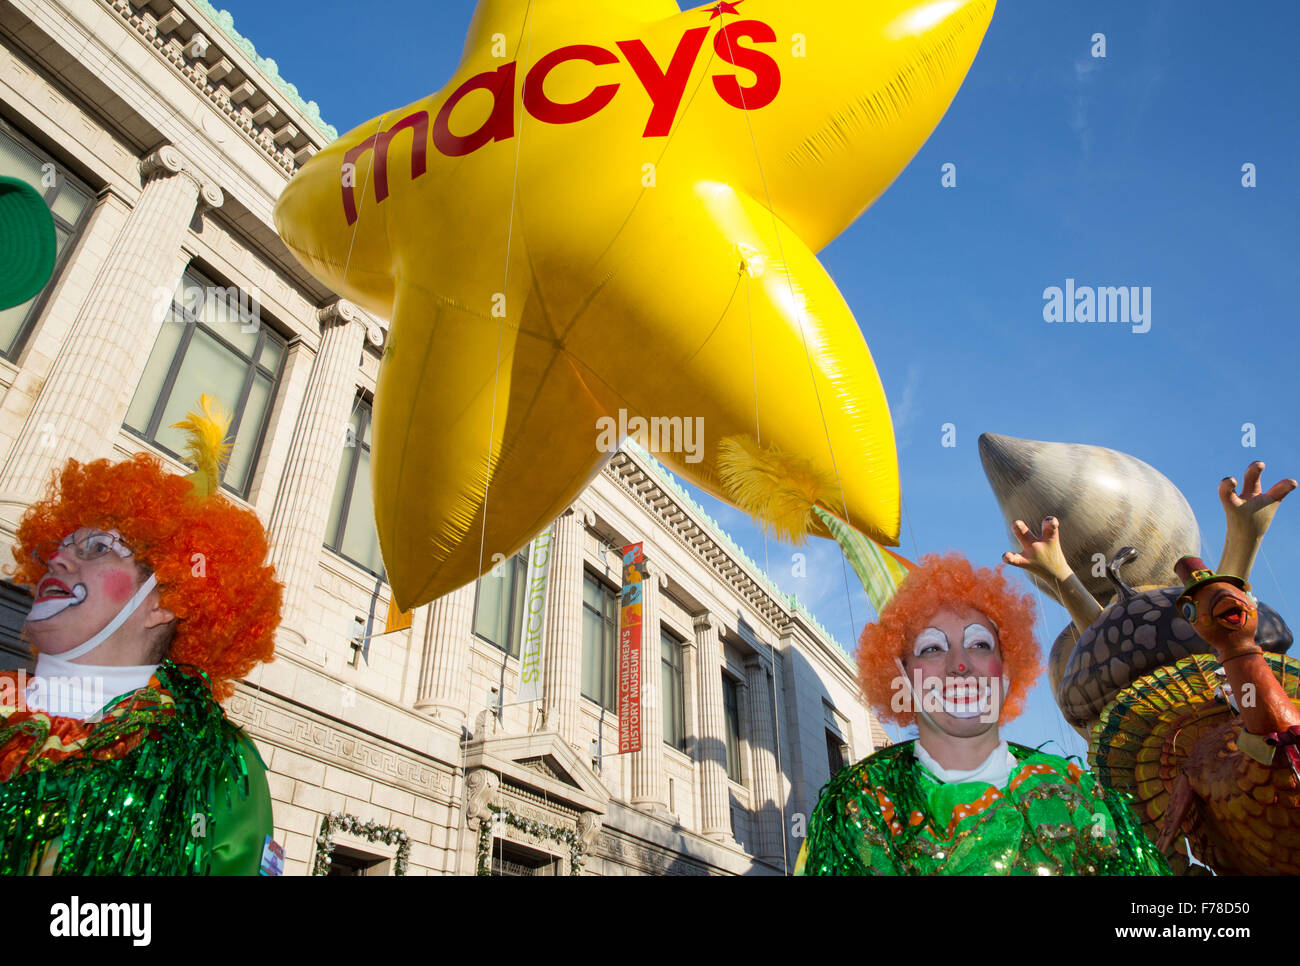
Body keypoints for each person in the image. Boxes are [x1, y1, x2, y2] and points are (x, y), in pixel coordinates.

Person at [0, 397, 283, 874]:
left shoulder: (217, 762)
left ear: (165, 602)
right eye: (59, 544)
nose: (58, 559)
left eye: (98, 547)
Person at [796, 551, 1167, 875]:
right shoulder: (859, 804)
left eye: (979, 644)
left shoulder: (1081, 794)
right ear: (902, 674)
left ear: (1006, 669)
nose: (960, 665)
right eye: (931, 649)